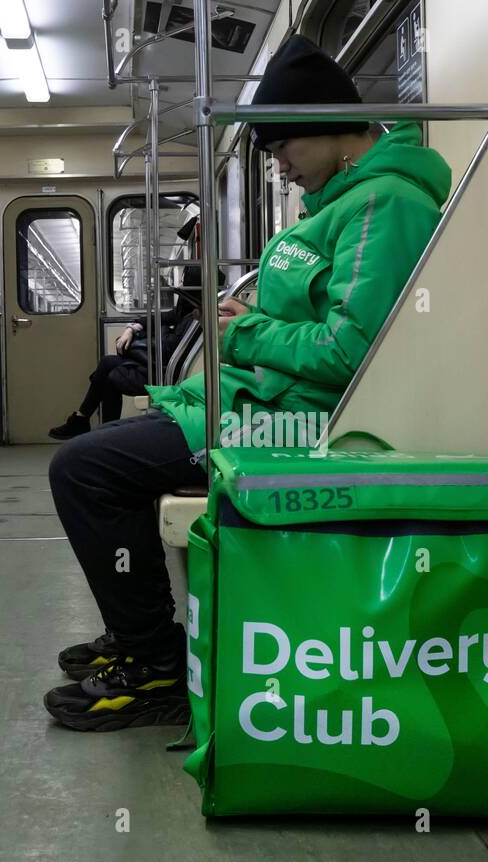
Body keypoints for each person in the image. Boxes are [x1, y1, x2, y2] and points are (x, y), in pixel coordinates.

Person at [44, 35, 452, 730]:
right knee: (106, 452)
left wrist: (247, 332)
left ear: (325, 128)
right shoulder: (336, 207)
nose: (279, 166)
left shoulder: (384, 205)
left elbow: (354, 351)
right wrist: (253, 324)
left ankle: (155, 665)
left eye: (281, 147)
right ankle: (139, 637)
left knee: (86, 469)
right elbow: (315, 318)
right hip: (260, 400)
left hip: (305, 423)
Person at [48, 264, 206, 440]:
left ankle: (88, 423)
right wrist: (132, 328)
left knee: (107, 368)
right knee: (107, 372)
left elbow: (168, 347)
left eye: (185, 284)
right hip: (155, 365)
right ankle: (98, 429)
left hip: (162, 372)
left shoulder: (196, 317)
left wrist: (152, 334)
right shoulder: (185, 310)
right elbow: (157, 319)